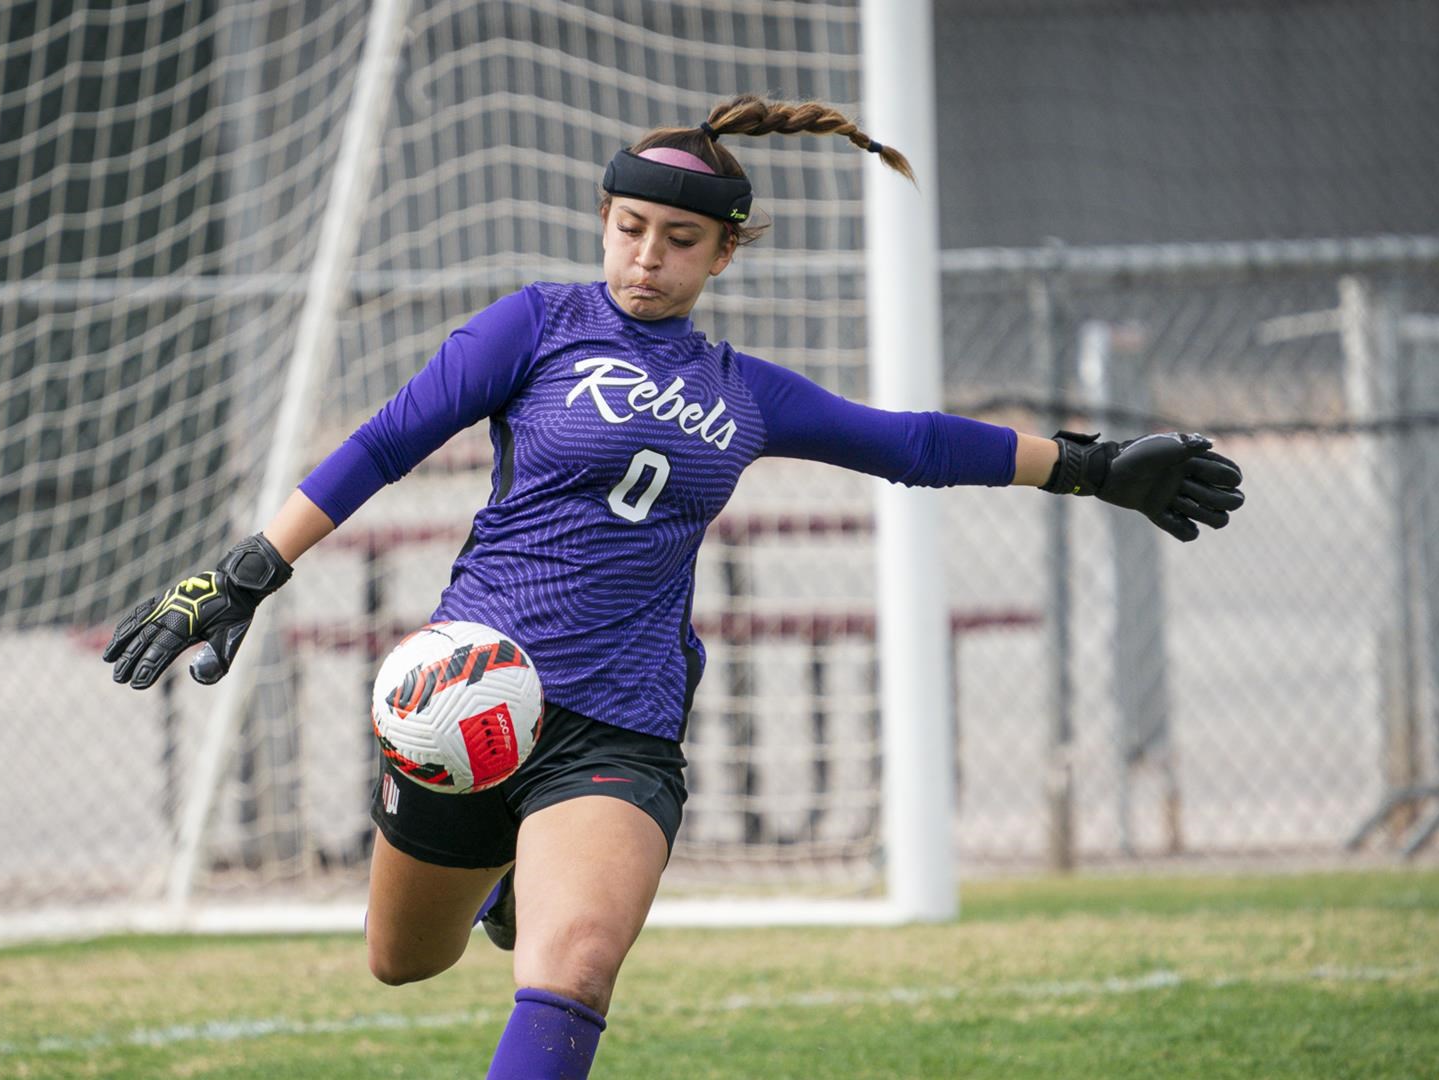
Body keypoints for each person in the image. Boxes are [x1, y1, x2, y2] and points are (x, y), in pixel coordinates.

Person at [103, 93, 1244, 1079]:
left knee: (578, 964)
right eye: (631, 227)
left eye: (679, 239)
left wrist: (1092, 467)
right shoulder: (538, 324)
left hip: (622, 722)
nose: (647, 256)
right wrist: (249, 571)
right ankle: (503, 880)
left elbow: (912, 442)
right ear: (604, 220)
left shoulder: (748, 393)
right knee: (403, 961)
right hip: (468, 700)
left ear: (723, 254)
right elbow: (388, 439)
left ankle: (539, 891)